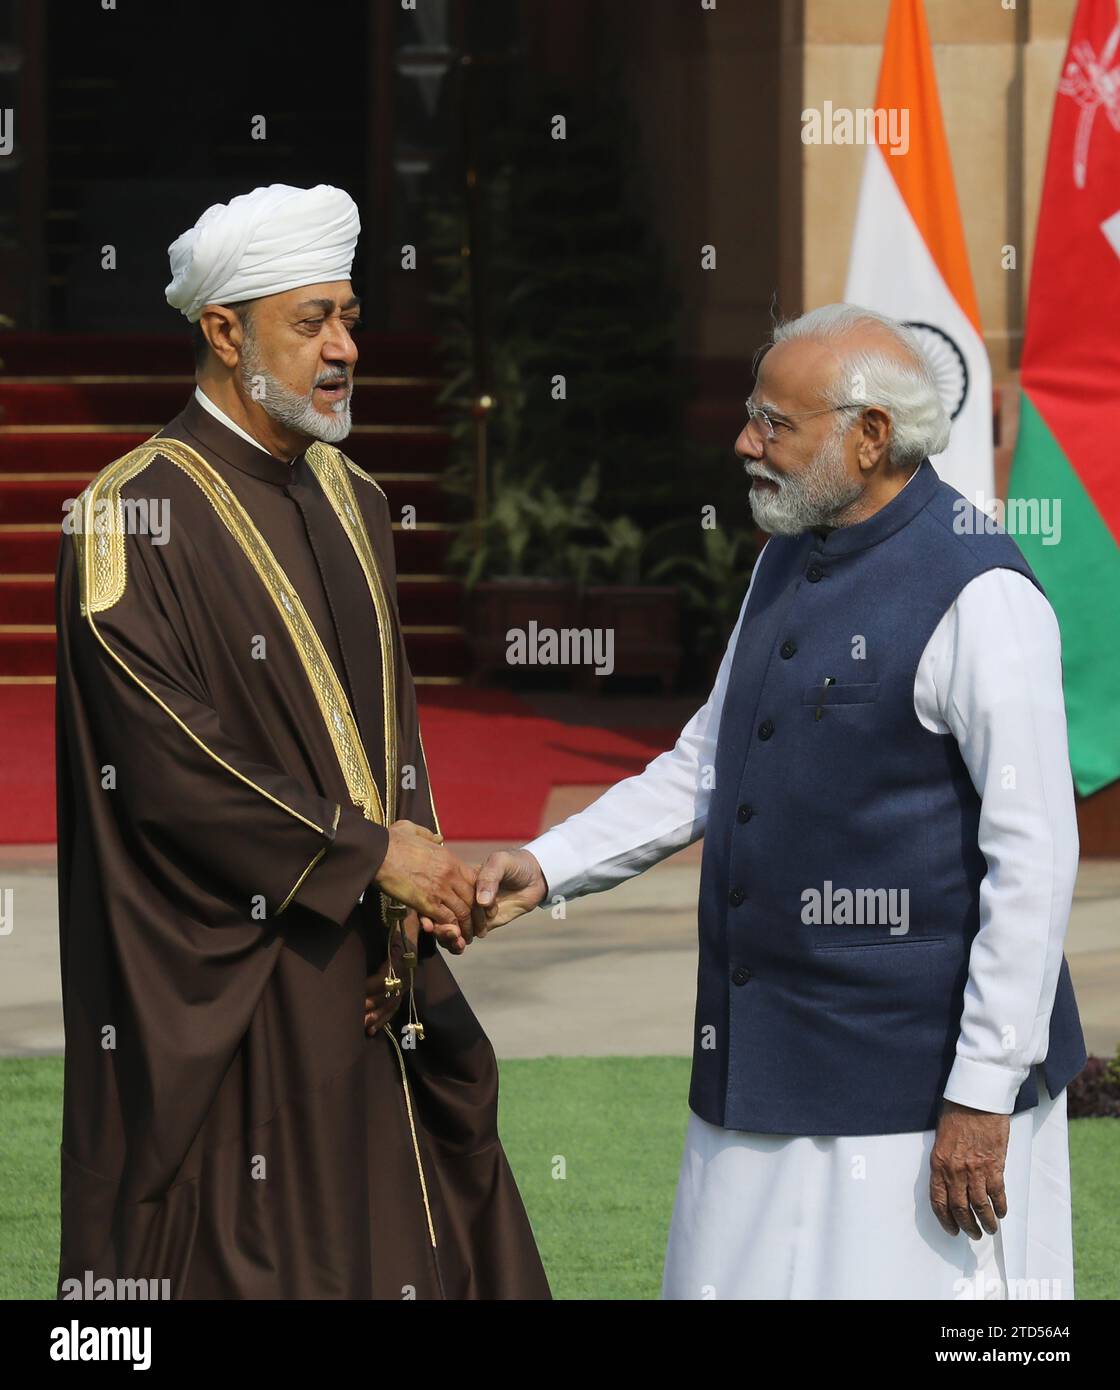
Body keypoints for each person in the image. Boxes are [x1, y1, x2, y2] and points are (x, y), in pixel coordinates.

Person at [454, 304, 1086, 1300]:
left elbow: (1035, 859)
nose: (745, 441)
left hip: (915, 1092)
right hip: (758, 1058)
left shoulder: (982, 590)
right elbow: (704, 765)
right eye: (751, 416)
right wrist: (549, 865)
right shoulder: (784, 553)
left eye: (774, 423)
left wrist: (981, 1090)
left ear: (870, 436)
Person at [55, 183, 549, 1299]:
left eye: (350, 318)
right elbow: (168, 769)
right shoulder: (125, 516)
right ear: (223, 333)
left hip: (376, 974)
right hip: (236, 978)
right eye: (311, 322)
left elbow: (389, 730)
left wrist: (419, 869)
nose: (344, 349)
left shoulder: (357, 495)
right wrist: (371, 855)